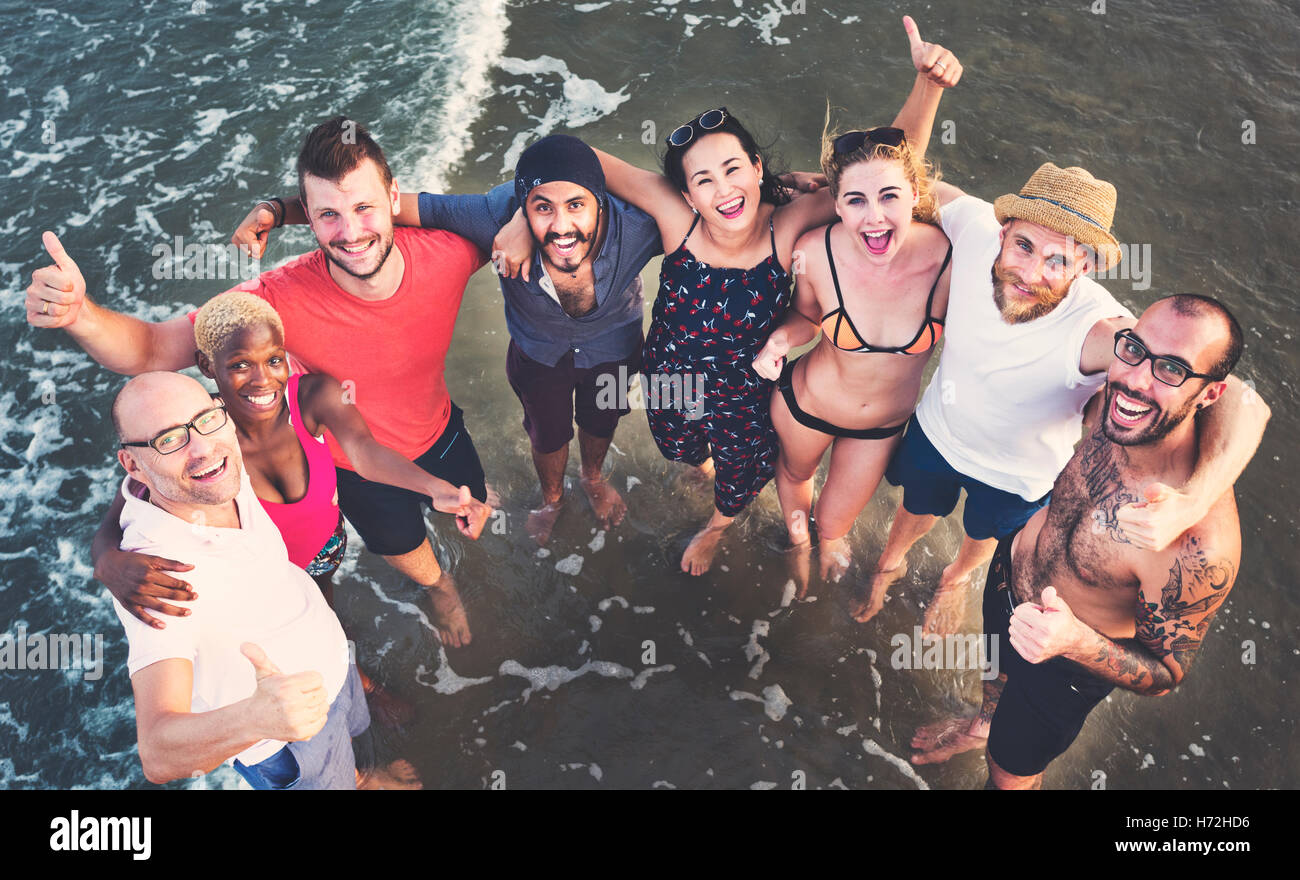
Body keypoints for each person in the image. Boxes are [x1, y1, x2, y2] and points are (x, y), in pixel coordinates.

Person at [25, 117, 490, 647]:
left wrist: (522, 235)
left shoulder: (450, 252)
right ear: (310, 222)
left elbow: (545, 215)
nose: (352, 233)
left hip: (442, 430)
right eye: (329, 216)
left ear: (393, 197)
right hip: (355, 467)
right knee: (406, 547)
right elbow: (153, 349)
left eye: (364, 208)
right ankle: (441, 589)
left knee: (469, 497)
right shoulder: (276, 299)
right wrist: (79, 313)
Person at [593, 16, 961, 575]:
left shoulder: (787, 225)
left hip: (745, 388)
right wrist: (524, 214)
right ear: (687, 195)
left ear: (757, 168)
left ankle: (717, 526)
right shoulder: (677, 221)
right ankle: (701, 469)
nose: (723, 189)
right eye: (704, 180)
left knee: (741, 474)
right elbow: (582, 159)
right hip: (669, 374)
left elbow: (883, 166)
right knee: (681, 450)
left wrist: (927, 85)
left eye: (733, 169)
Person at [856, 163, 1271, 634]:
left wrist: (1193, 502)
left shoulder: (1100, 329)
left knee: (983, 534)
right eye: (1025, 246)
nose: (1032, 274)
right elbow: (910, 184)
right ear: (1003, 231)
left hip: (1017, 476)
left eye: (1059, 261)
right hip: (938, 432)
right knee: (918, 504)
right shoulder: (972, 227)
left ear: (1085, 266)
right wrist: (812, 187)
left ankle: (955, 578)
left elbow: (1243, 398)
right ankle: (890, 562)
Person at [231, 134, 663, 546]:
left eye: (576, 205)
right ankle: (552, 499)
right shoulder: (494, 215)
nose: (562, 223)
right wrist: (279, 210)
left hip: (614, 351)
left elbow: (713, 224)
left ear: (600, 203)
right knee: (547, 436)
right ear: (523, 206)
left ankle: (592, 478)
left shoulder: (640, 226)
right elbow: (383, 208)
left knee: (600, 421)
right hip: (539, 356)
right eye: (543, 207)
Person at [91, 292, 492, 722]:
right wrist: (108, 563)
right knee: (300, 638)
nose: (263, 381)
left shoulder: (313, 396)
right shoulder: (204, 441)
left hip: (324, 550)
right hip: (270, 574)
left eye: (274, 360)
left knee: (326, 611)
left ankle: (424, 605)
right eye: (240, 365)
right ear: (209, 368)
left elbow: (364, 451)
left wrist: (435, 488)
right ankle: (364, 687)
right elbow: (120, 515)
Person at [909, 296, 1249, 789]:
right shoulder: (1116, 411)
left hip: (1064, 662)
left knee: (1010, 773)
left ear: (1209, 394)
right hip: (1010, 578)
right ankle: (983, 723)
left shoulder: (1196, 545)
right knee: (993, 679)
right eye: (1134, 350)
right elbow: (1245, 402)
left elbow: (1166, 671)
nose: (1135, 379)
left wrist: (1076, 641)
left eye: (1172, 370)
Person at [109, 371, 419, 789]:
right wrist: (255, 717)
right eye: (168, 439)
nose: (202, 448)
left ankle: (361, 774)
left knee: (352, 738)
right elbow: (158, 754)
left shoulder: (219, 471)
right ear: (133, 465)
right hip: (286, 736)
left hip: (329, 660)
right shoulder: (158, 577)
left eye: (205, 419)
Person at [752, 120, 952, 594]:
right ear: (836, 203)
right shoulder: (814, 253)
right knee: (796, 488)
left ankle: (826, 542)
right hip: (807, 405)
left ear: (915, 192)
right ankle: (798, 547)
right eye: (856, 201)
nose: (874, 218)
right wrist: (780, 340)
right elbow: (806, 317)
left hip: (881, 426)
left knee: (835, 523)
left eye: (889, 196)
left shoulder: (949, 260)